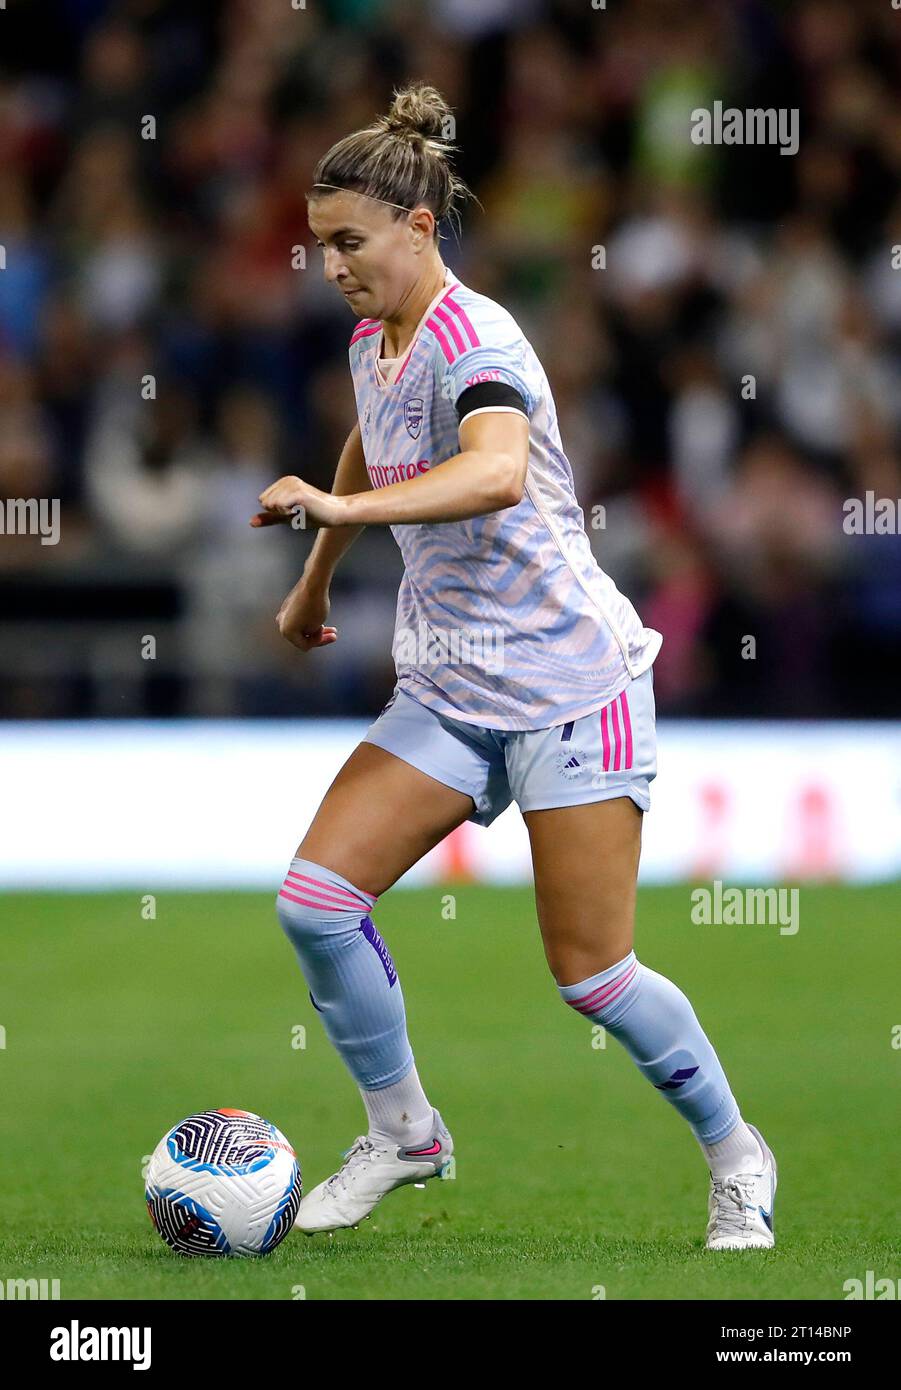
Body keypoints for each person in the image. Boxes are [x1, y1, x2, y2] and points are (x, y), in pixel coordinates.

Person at [250, 84, 776, 1250]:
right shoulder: (372, 341)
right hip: (448, 682)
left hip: (568, 686)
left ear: (420, 229)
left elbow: (492, 470)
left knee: (592, 975)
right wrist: (317, 579)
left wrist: (335, 506)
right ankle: (403, 1132)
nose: (331, 265)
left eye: (349, 242)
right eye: (319, 244)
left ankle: (736, 1151)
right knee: (316, 902)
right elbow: (370, 430)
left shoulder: (479, 338)